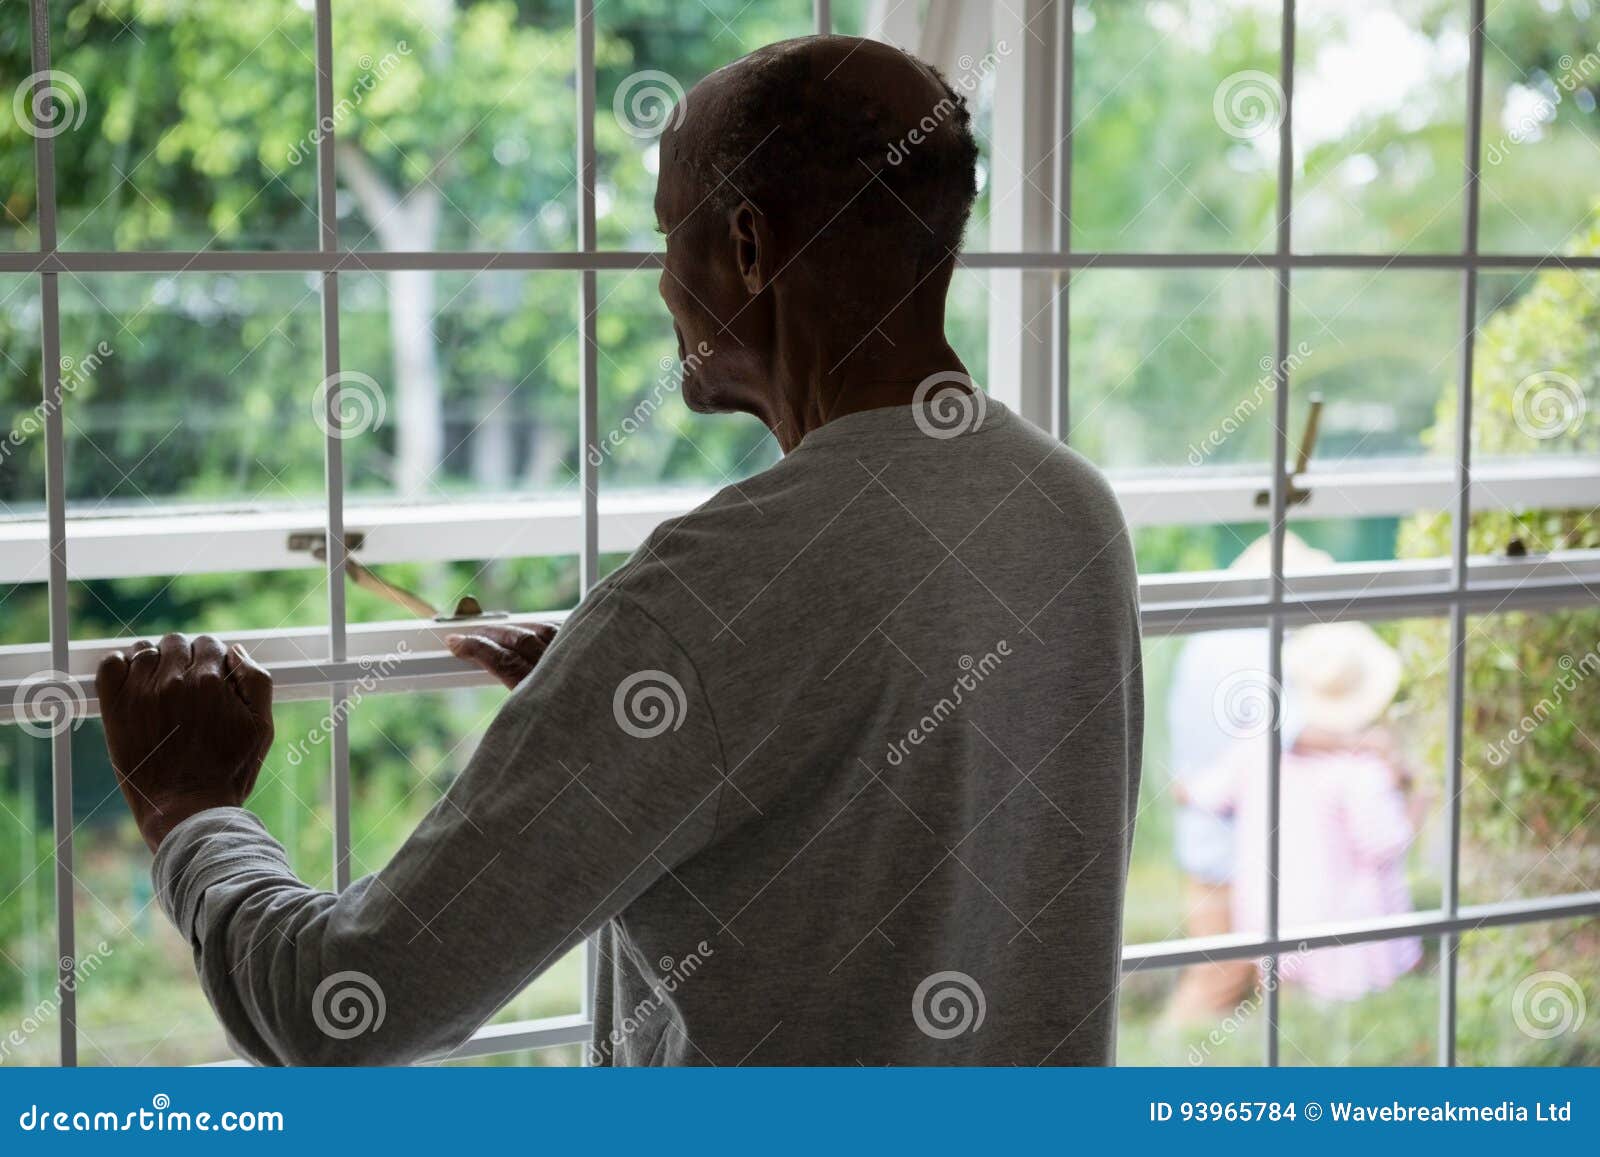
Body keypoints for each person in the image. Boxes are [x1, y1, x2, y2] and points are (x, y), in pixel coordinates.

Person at [94, 36, 1142, 1066]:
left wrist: (192, 810)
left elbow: (344, 1005)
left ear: (748, 247)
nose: (659, 280)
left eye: (666, 232)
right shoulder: (1069, 509)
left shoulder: (714, 591)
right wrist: (619, 697)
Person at [1186, 620, 1421, 1001]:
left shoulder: (1256, 747)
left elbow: (1204, 793)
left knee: (1283, 1016)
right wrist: (1418, 802)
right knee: (1344, 1024)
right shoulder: (1363, 770)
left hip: (1268, 920)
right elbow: (1384, 844)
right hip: (1342, 935)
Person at [1162, 532, 1328, 1022]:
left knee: (1234, 975)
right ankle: (1164, 1054)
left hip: (1209, 830)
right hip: (1234, 842)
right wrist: (1370, 743)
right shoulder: (1254, 648)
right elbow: (1290, 730)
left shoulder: (1208, 639)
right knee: (1223, 977)